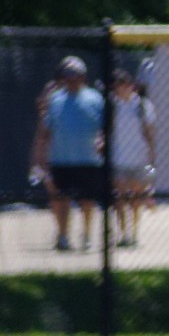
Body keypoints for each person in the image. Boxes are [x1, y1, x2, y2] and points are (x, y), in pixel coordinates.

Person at [31, 56, 107, 252]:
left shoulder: (95, 99)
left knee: (87, 200)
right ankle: (63, 236)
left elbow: (105, 128)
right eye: (67, 74)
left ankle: (87, 234)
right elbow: (45, 131)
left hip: (88, 159)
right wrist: (40, 159)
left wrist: (102, 139)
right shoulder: (54, 100)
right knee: (60, 199)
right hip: (60, 158)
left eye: (74, 74)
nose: (70, 78)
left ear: (83, 76)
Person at [107, 68, 156, 247]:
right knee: (119, 198)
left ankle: (134, 232)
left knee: (136, 198)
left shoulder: (143, 106)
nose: (122, 88)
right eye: (118, 85)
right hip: (118, 158)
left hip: (139, 158)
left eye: (125, 84)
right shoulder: (111, 106)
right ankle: (123, 234)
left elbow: (150, 133)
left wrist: (151, 157)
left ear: (131, 86)